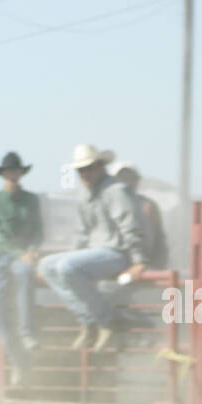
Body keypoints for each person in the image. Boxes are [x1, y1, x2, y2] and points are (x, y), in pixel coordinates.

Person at [38, 145, 146, 352]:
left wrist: (139, 260)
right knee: (46, 266)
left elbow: (130, 226)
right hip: (97, 253)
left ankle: (107, 320)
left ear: (100, 167)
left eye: (89, 168)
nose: (85, 174)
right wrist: (73, 254)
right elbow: (82, 233)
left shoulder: (116, 191)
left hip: (117, 253)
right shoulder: (85, 195)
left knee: (67, 267)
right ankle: (89, 320)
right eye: (81, 170)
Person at [0, 152, 43, 385]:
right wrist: (21, 254)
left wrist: (33, 250)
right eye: (9, 171)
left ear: (21, 173)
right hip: (0, 255)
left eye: (16, 171)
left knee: (25, 274)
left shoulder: (31, 200)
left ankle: (27, 332)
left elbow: (38, 230)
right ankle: (18, 360)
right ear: (3, 174)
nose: (12, 175)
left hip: (23, 256)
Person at [109, 161, 168, 268]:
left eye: (129, 178)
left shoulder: (148, 206)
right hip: (112, 265)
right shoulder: (105, 206)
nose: (125, 182)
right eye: (121, 178)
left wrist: (157, 266)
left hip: (144, 265)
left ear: (136, 181)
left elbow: (159, 240)